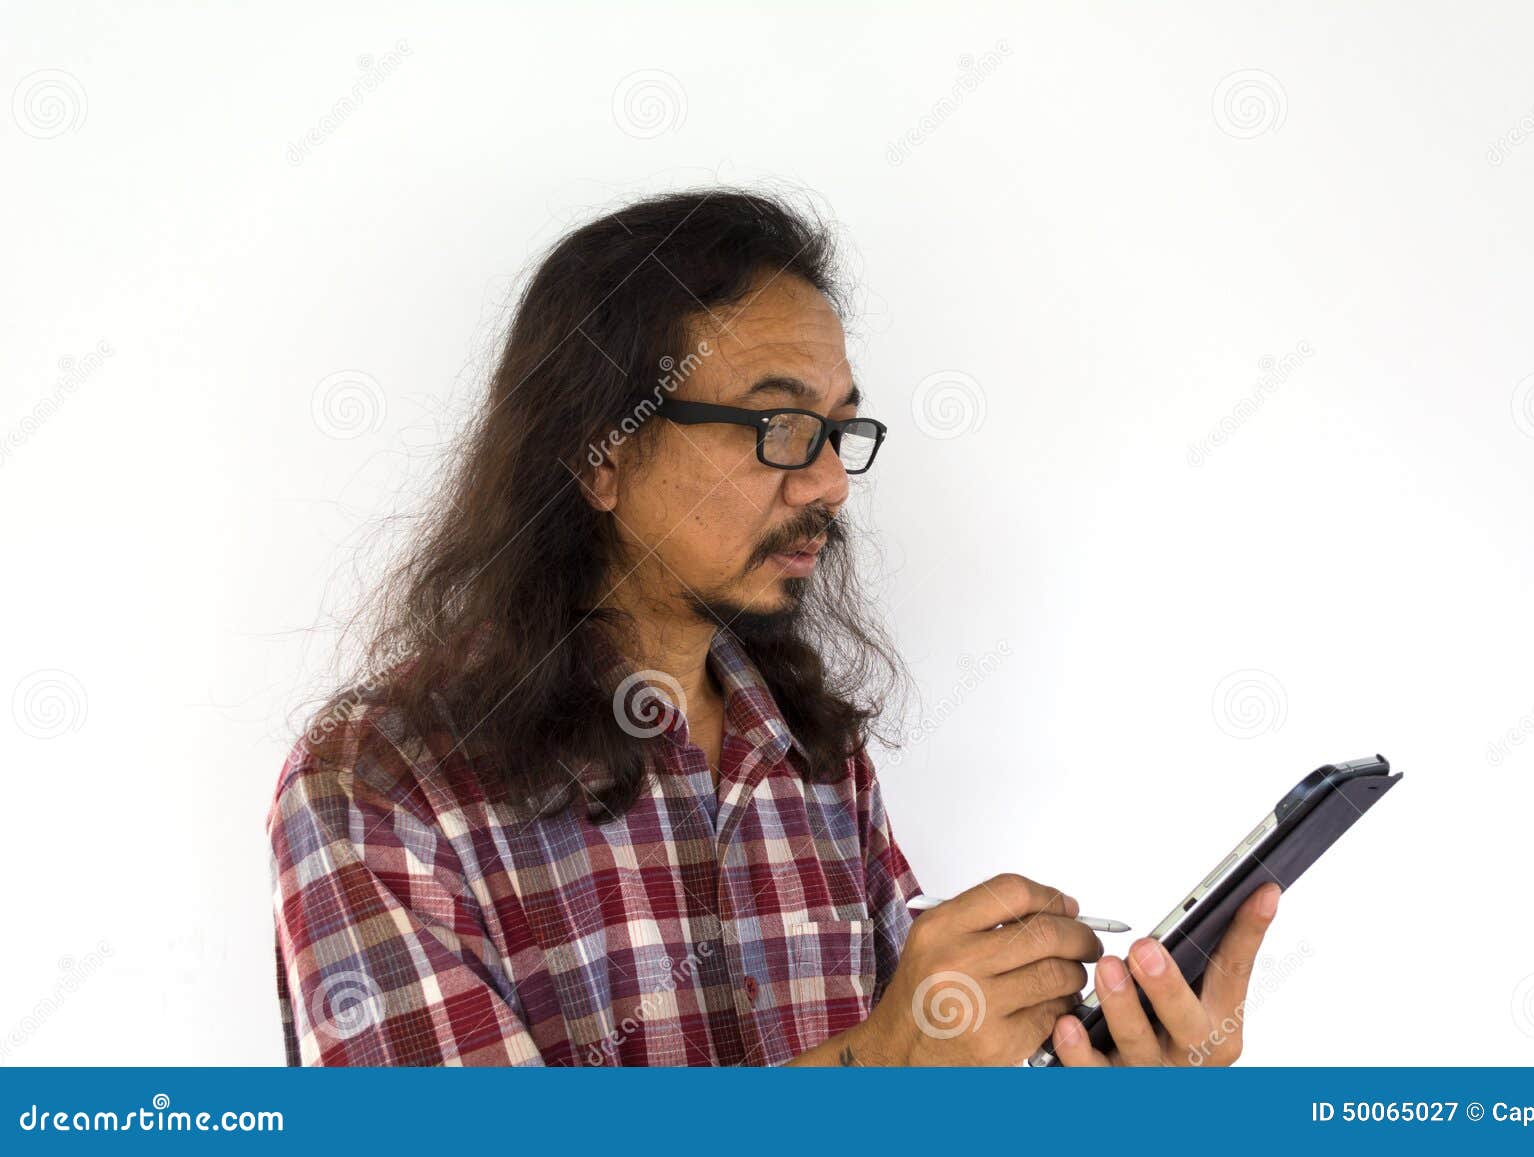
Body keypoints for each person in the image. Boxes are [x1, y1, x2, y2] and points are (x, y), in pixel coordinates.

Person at [266, 189, 1281, 1066]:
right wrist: (879, 1062)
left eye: (839, 430)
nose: (832, 480)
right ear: (597, 453)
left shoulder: (814, 753)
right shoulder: (379, 786)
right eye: (779, 426)